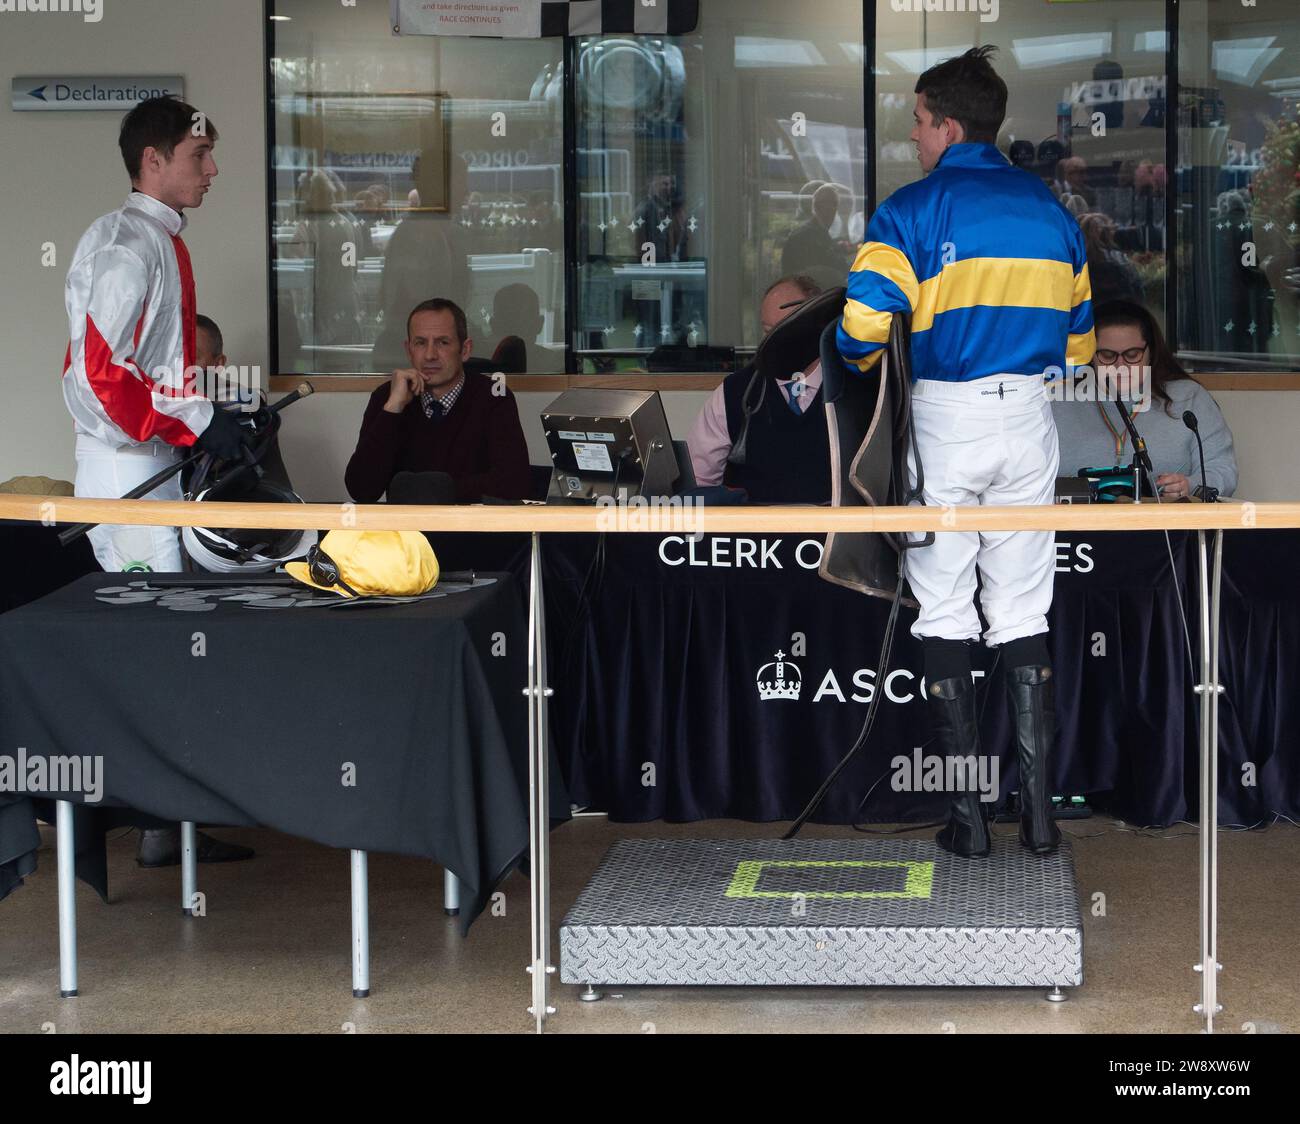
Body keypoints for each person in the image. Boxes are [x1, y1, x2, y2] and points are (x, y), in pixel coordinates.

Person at [837, 46, 1095, 859]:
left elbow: (859, 336)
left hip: (946, 418)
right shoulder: (1056, 214)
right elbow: (1082, 354)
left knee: (944, 606)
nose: (911, 137)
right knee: (1022, 609)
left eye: (916, 122)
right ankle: (1042, 818)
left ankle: (969, 818)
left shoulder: (909, 211)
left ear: (947, 124)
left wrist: (862, 356)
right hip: (1029, 417)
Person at [62, 95, 253, 867]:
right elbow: (101, 376)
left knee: (173, 651)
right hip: (125, 475)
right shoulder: (124, 242)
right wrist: (195, 421)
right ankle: (143, 826)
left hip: (157, 472)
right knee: (151, 656)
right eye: (198, 156)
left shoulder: (157, 240)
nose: (211, 171)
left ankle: (164, 823)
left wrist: (206, 416)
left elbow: (153, 374)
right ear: (154, 161)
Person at [345, 298, 531, 503]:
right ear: (409, 350)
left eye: (443, 342)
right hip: (406, 532)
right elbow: (361, 489)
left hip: (470, 530)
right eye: (420, 343)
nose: (430, 355)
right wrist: (392, 410)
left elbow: (515, 483)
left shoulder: (494, 397)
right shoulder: (387, 397)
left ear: (466, 349)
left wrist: (433, 492)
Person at [1052, 299, 1237, 499]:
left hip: (1167, 527)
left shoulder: (1189, 398)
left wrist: (1190, 485)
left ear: (1151, 352)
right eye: (1107, 355)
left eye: (1132, 355)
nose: (1120, 365)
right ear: (1090, 356)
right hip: (1076, 527)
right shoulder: (1058, 400)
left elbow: (1223, 470)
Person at [685, 275, 830, 502]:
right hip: (751, 535)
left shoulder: (855, 390)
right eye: (768, 329)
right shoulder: (735, 393)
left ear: (819, 326)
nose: (775, 340)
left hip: (836, 534)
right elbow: (696, 482)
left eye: (787, 328)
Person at [781, 183, 850, 289]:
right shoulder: (808, 236)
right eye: (832, 204)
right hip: (806, 296)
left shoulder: (815, 232)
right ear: (817, 206)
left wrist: (837, 248)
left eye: (835, 204)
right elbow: (826, 267)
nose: (833, 209)